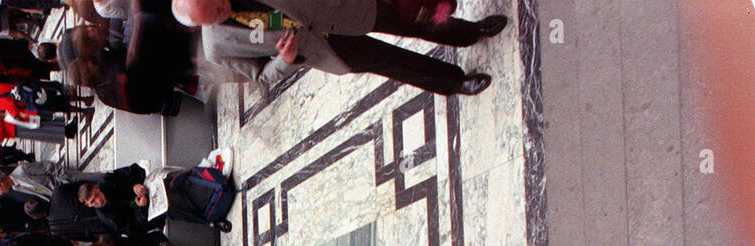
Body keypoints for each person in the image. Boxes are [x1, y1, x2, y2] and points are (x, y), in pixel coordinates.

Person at [172, 0, 507, 96]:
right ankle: (453, 83)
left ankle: (469, 32)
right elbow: (261, 78)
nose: (223, 15)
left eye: (218, 6)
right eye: (214, 19)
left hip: (338, 8)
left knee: (409, 20)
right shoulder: (218, 47)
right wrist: (284, 60)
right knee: (393, 62)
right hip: (325, 49)